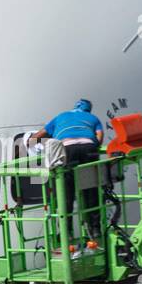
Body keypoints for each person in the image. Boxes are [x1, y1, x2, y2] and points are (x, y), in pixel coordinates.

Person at [30, 100, 105, 242]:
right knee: (90, 188)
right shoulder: (93, 118)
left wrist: (39, 147)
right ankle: (95, 229)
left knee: (66, 192)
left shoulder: (60, 116)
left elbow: (37, 137)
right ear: (88, 110)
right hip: (88, 149)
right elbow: (99, 138)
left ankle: (66, 231)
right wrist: (91, 144)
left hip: (67, 149)